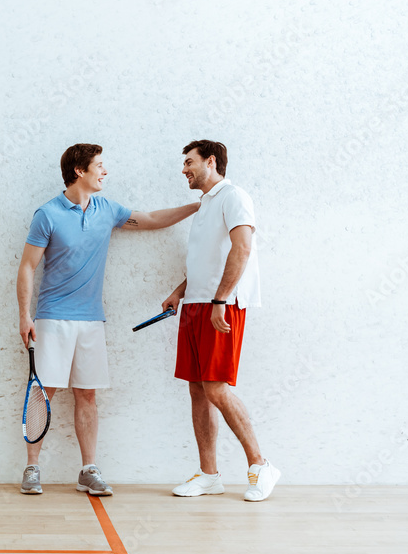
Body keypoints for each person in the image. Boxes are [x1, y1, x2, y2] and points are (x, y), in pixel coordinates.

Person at [17, 143, 199, 495]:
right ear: (78, 172)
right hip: (53, 319)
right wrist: (24, 316)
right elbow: (27, 266)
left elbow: (150, 219)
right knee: (43, 393)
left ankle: (88, 469)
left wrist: (197, 206)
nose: (104, 172)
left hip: (92, 321)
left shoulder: (107, 209)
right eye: (99, 166)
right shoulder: (48, 214)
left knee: (87, 396)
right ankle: (32, 468)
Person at [162, 140, 281, 502]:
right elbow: (207, 258)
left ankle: (261, 465)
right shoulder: (206, 205)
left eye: (189, 162)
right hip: (197, 305)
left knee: (216, 387)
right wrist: (181, 290)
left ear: (211, 162)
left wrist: (219, 299)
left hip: (221, 305)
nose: (184, 169)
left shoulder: (234, 197)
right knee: (197, 389)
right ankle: (209, 474)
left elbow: (241, 249)